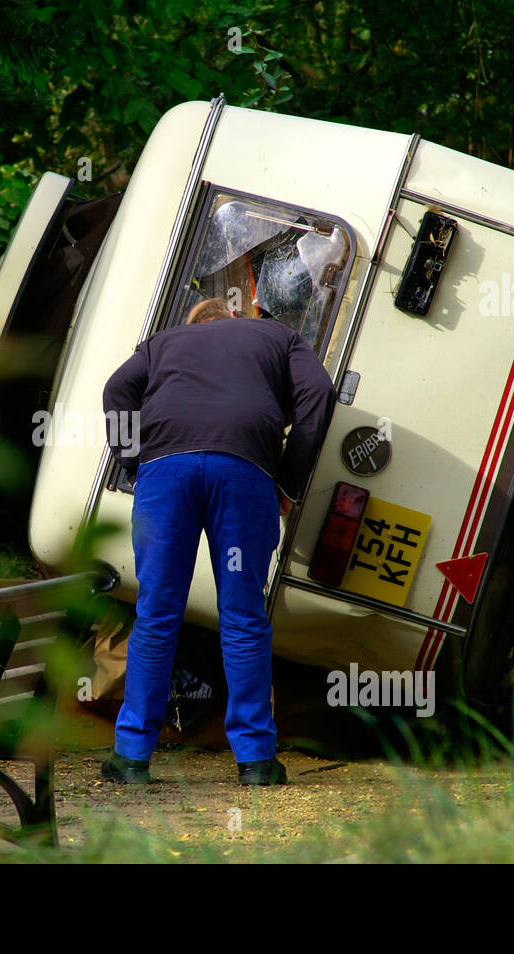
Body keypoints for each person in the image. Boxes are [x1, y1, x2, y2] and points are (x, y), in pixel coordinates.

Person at [99, 296, 335, 785]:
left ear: (192, 326)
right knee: (243, 615)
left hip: (166, 472)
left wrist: (131, 463)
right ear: (230, 319)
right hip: (244, 472)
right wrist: (289, 480)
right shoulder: (277, 336)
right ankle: (255, 762)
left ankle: (130, 759)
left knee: (157, 614)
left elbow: (116, 390)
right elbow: (319, 393)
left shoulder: (162, 342)